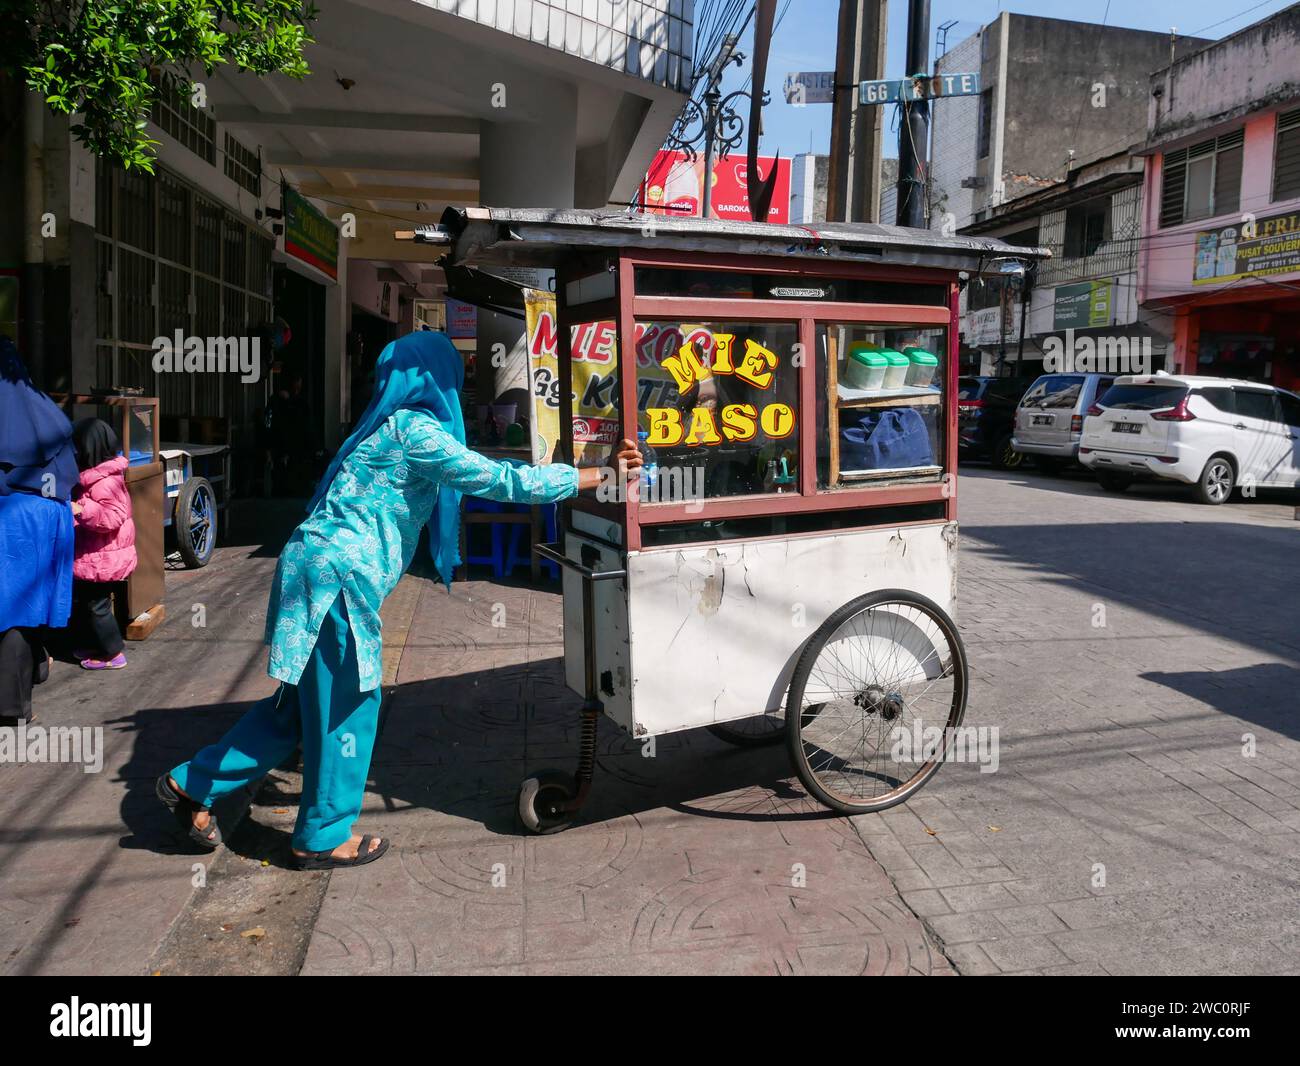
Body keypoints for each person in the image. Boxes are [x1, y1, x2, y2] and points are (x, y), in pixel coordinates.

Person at [159, 330, 642, 866]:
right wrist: (599, 474)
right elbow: (501, 479)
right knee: (349, 706)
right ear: (439, 381)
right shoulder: (417, 432)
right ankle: (321, 836)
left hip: (310, 567)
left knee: (297, 709)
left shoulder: (382, 427)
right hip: (337, 579)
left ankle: (192, 784)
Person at [0, 336, 76, 723]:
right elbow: (68, 471)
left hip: (10, 519)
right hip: (42, 519)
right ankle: (25, 689)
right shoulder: (41, 407)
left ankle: (13, 704)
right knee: (23, 607)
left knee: (8, 611)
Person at [69, 418, 137, 670]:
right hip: (95, 555)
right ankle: (95, 644)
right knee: (87, 603)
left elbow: (113, 517)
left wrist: (80, 508)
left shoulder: (105, 480)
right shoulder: (95, 477)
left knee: (96, 606)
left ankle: (112, 653)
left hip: (103, 558)